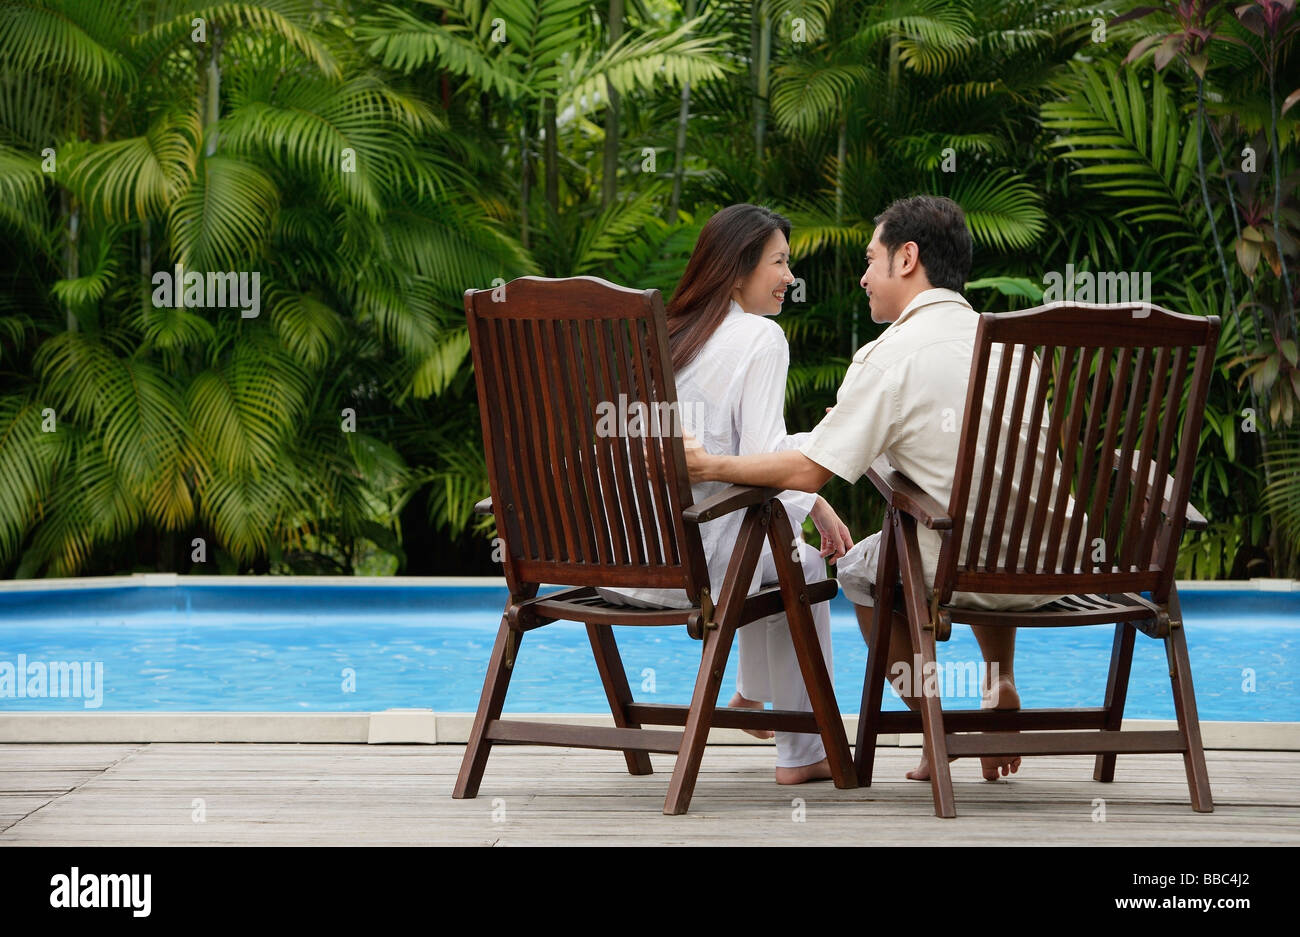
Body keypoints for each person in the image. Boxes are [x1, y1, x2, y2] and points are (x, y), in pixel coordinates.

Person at [684, 195, 1075, 783]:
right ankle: (998, 682)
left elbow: (810, 470)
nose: (863, 277)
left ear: (907, 258)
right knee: (990, 509)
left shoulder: (890, 356)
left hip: (959, 562)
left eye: (871, 260)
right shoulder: (1010, 346)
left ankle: (934, 732)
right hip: (1057, 562)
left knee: (866, 567)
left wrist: (711, 465)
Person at [597, 203, 854, 785]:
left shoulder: (667, 335)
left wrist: (811, 499)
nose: (790, 277)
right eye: (780, 262)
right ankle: (803, 752)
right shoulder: (759, 336)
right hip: (693, 567)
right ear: (737, 271)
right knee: (802, 564)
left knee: (771, 552)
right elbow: (763, 465)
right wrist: (825, 457)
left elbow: (709, 455)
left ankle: (747, 699)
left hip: (618, 561)